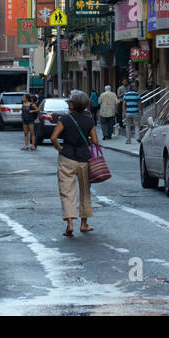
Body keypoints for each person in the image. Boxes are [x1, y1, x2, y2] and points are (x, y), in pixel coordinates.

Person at [49, 91, 98, 237]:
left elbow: (53, 137)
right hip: (84, 159)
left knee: (67, 192)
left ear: (72, 104)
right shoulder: (89, 121)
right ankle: (84, 224)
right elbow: (95, 141)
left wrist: (60, 149)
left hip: (67, 157)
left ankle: (70, 223)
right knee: (85, 191)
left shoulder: (65, 119)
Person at [120, 76, 142, 144]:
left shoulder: (126, 94)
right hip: (135, 112)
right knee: (137, 125)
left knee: (128, 126)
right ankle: (137, 137)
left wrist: (123, 112)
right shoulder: (137, 94)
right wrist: (141, 110)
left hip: (128, 112)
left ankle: (128, 140)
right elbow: (140, 103)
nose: (137, 88)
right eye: (136, 87)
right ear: (134, 88)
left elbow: (124, 104)